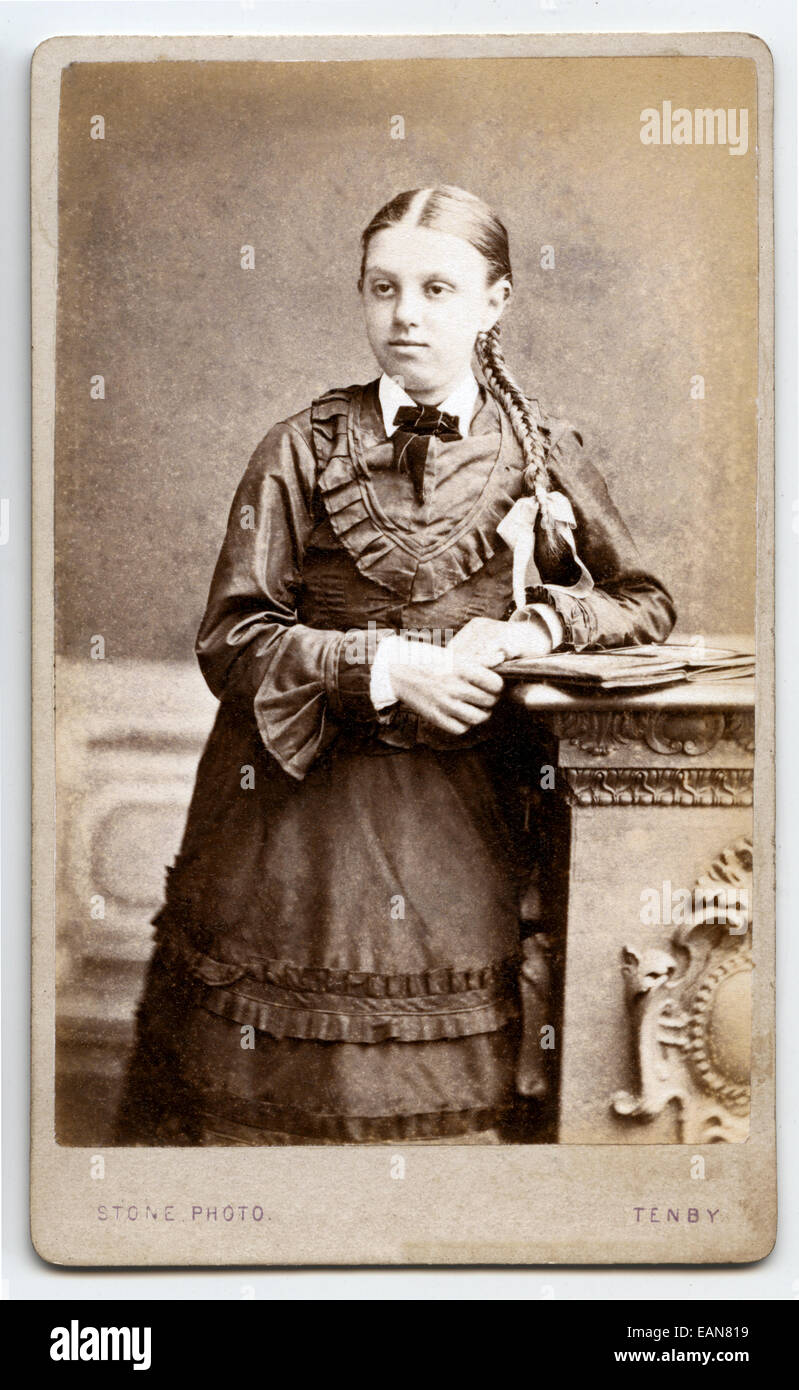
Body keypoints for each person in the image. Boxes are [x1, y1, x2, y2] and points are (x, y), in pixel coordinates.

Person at [115, 185, 676, 1146]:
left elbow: (645, 602)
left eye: (436, 289)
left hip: (468, 822)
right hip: (292, 828)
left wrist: (534, 627)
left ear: (495, 301)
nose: (405, 314)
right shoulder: (297, 448)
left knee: (451, 1128)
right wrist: (380, 667)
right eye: (382, 288)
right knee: (268, 1121)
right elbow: (233, 642)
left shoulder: (540, 452)